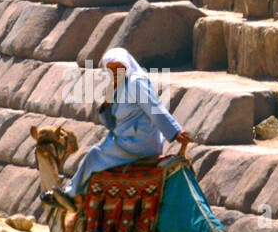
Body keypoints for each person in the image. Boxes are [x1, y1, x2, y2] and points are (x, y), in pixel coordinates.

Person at [44, 47, 191, 208]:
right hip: (127, 137)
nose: (115, 72)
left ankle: (70, 194)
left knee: (94, 155)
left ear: (126, 65)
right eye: (111, 69)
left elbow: (154, 108)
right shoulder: (118, 87)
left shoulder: (136, 82)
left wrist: (175, 131)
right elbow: (111, 125)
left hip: (138, 141)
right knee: (100, 149)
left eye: (118, 68)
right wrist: (107, 104)